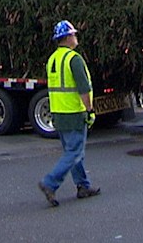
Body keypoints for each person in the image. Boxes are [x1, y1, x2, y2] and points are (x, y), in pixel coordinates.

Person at [38, 20, 100, 207]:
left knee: (72, 152)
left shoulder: (53, 59)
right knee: (74, 153)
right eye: (73, 34)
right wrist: (89, 110)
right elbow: (83, 87)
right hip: (74, 113)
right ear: (67, 38)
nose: (76, 37)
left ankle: (83, 186)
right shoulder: (74, 59)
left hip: (58, 113)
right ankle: (50, 183)